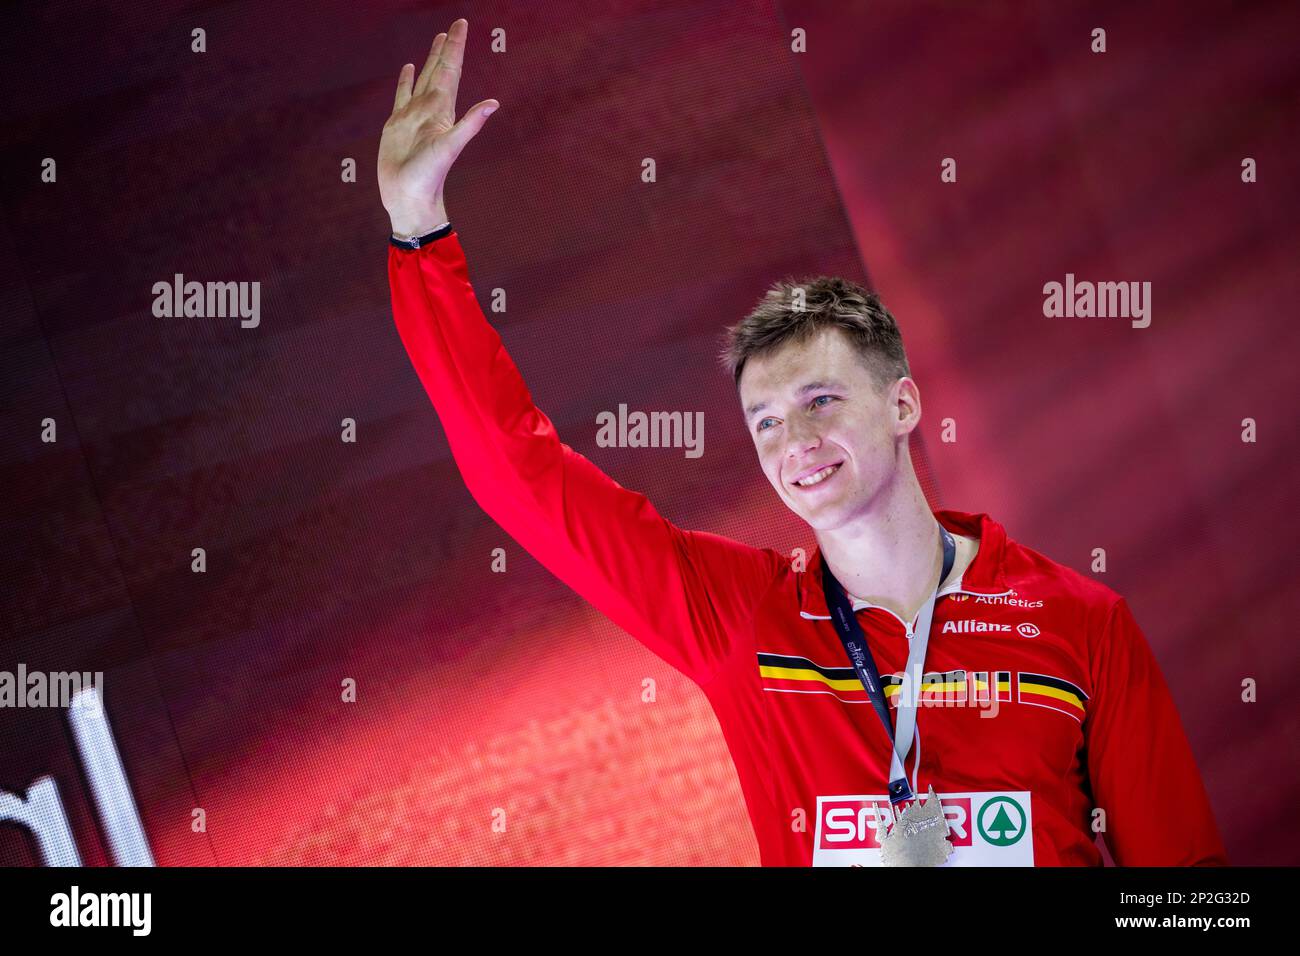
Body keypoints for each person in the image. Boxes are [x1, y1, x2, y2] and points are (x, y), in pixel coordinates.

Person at [378, 18, 1227, 866]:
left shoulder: (1080, 623)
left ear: (902, 405)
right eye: (768, 421)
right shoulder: (739, 616)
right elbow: (518, 475)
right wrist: (418, 232)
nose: (797, 441)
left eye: (822, 400)